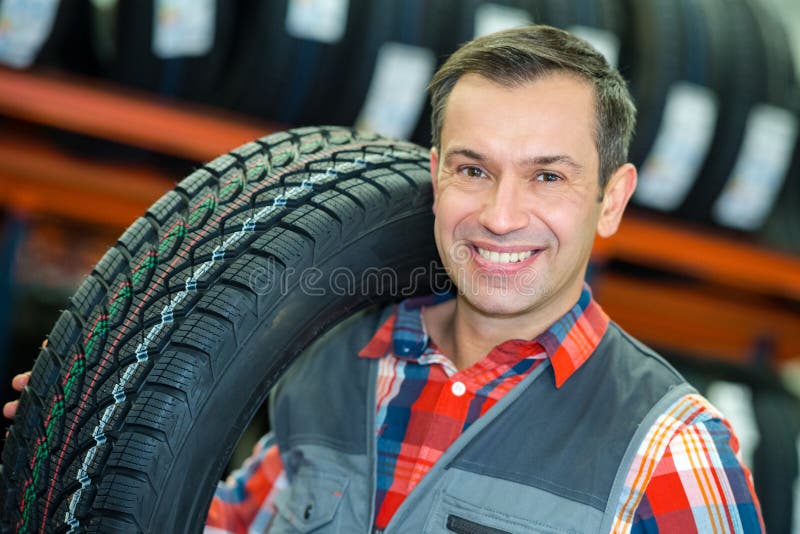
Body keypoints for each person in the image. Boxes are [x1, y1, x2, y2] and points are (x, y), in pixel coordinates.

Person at [5, 25, 763, 533]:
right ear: (434, 176)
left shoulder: (671, 455)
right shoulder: (332, 365)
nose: (501, 216)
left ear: (612, 200)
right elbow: (219, 517)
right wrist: (91, 447)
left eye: (547, 177)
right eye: (473, 169)